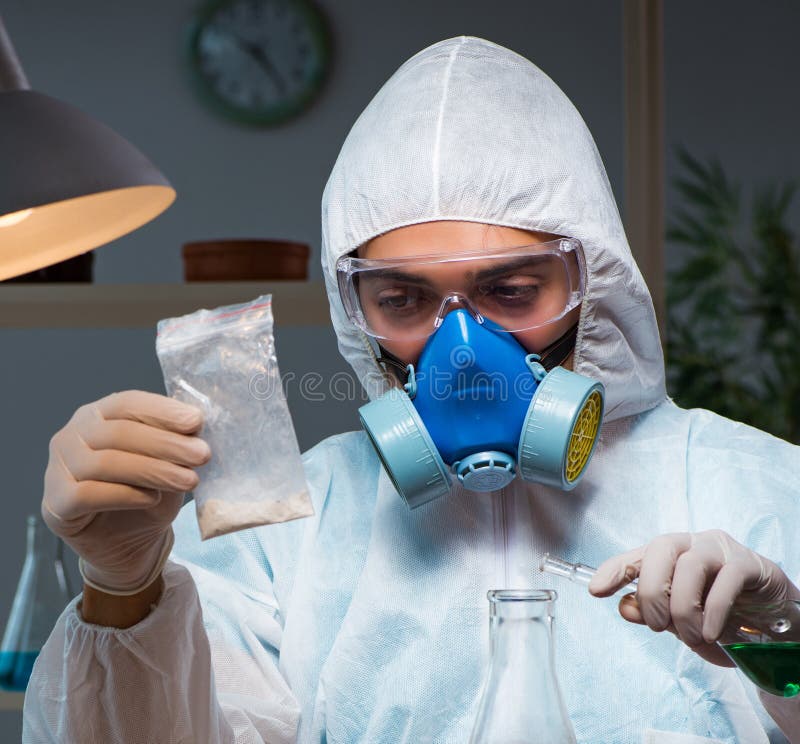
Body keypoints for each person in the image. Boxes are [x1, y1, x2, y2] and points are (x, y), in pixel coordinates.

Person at [23, 36, 800, 743]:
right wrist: (124, 590)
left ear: (589, 283)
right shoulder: (287, 531)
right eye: (402, 301)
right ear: (353, 311)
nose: (461, 349)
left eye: (513, 290)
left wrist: (787, 647)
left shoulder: (762, 489)